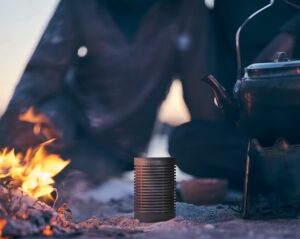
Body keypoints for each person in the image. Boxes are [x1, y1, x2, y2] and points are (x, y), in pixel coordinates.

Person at [0, 0, 299, 185]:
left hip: (119, 144)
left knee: (101, 168)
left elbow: (200, 87)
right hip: (69, 121)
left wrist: (210, 143)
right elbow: (41, 73)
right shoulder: (81, 4)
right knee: (40, 126)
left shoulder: (185, 9)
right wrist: (7, 139)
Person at [169, 0, 300, 190]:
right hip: (255, 129)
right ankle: (284, 175)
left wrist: (290, 34)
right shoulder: (223, 10)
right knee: (186, 143)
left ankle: (278, 176)